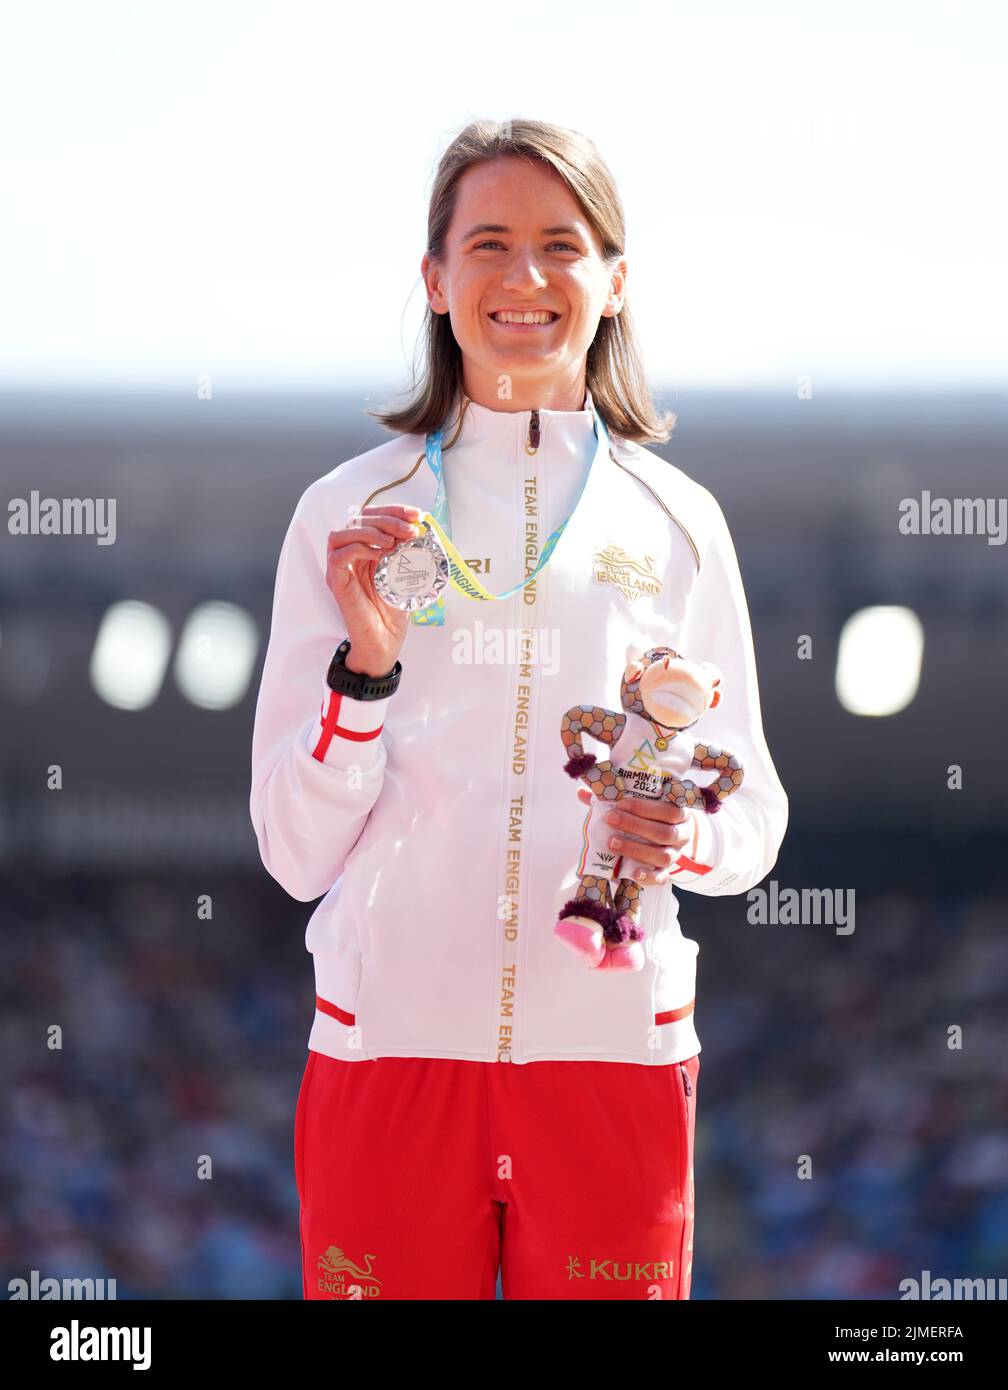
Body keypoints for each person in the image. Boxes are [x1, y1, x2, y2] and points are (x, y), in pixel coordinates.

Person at [249, 118, 789, 1301]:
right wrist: (366, 673)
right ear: (436, 280)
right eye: (487, 242)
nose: (526, 276)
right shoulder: (349, 517)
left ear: (615, 281)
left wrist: (675, 830)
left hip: (612, 1053)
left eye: (561, 243)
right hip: (386, 1048)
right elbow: (292, 852)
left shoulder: (679, 520)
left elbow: (750, 822)